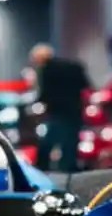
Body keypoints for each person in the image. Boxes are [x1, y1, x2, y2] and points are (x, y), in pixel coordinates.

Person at [31, 43, 90, 173]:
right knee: (70, 144)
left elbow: (45, 93)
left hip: (58, 113)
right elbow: (85, 86)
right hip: (75, 112)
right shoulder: (73, 67)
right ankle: (68, 171)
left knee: (48, 142)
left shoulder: (47, 70)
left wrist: (37, 104)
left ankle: (42, 169)